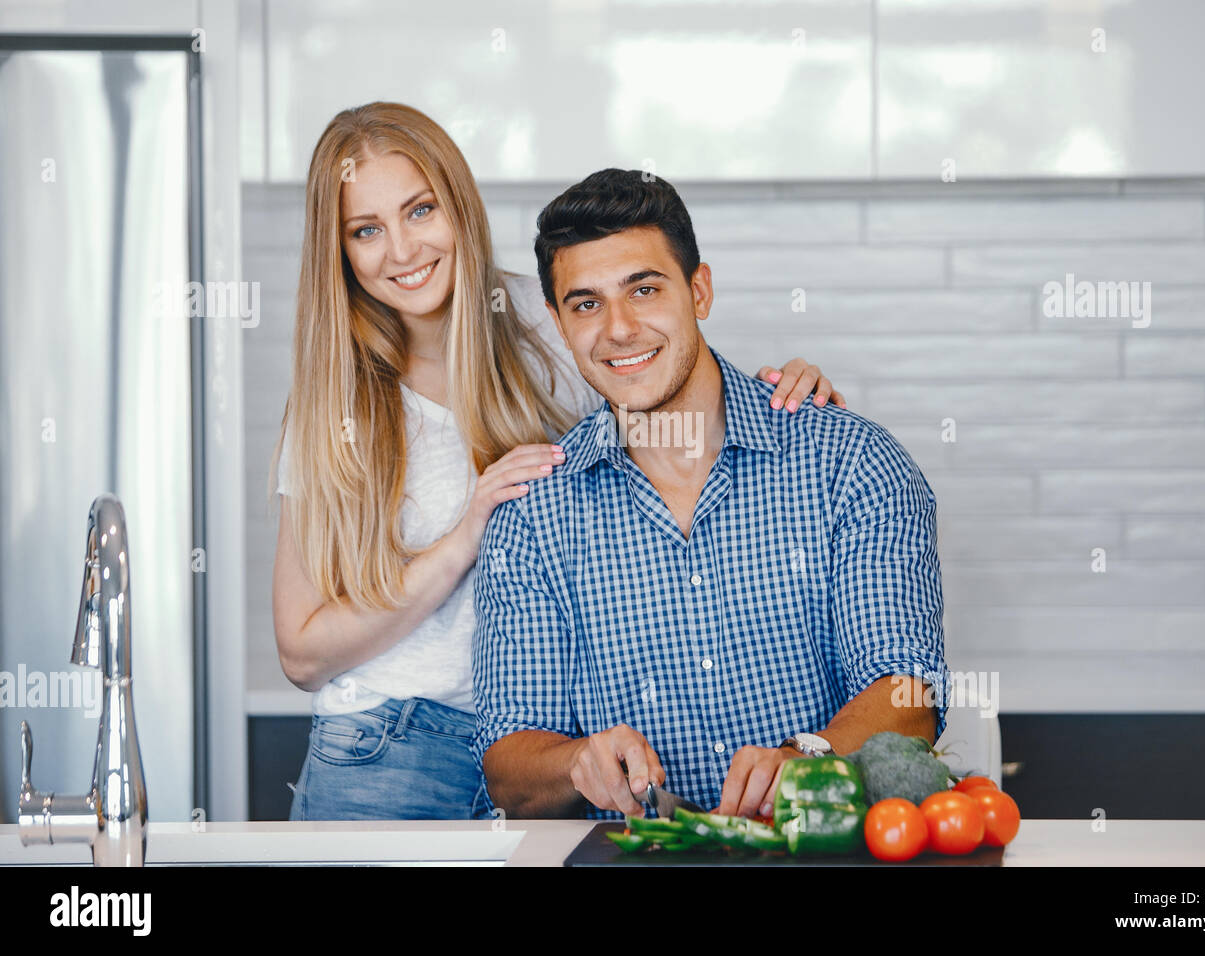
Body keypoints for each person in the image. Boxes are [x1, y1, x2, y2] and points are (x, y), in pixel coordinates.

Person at [270, 102, 848, 820]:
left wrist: (780, 393)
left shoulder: (543, 321)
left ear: (458, 204)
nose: (402, 250)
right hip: (392, 752)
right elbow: (301, 652)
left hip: (548, 757)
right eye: (366, 230)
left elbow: (658, 382)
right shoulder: (331, 399)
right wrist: (463, 540)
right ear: (341, 250)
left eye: (420, 211)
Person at [472, 168, 951, 821]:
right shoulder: (533, 514)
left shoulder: (853, 464)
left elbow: (907, 695)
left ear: (699, 290)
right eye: (586, 303)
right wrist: (573, 760)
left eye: (644, 289)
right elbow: (509, 768)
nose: (618, 329)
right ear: (558, 322)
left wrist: (808, 755)